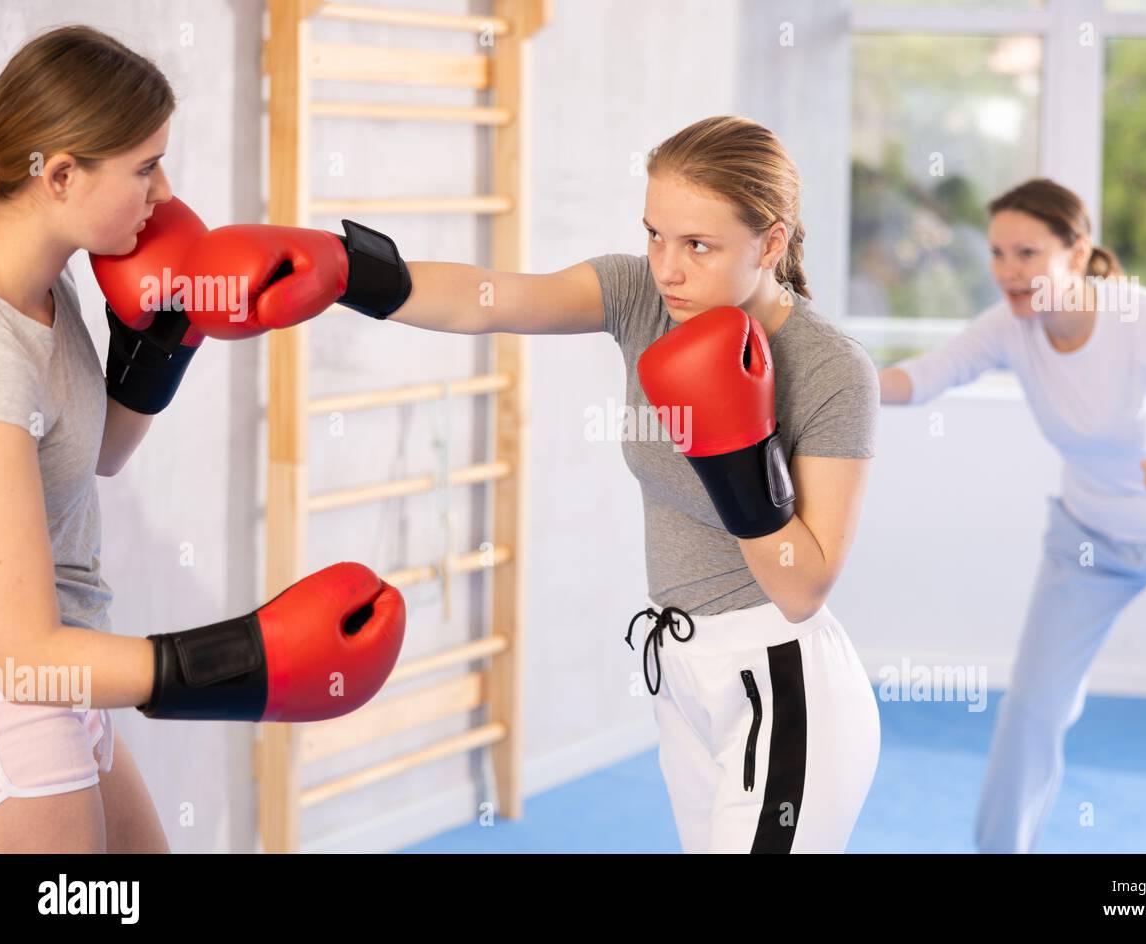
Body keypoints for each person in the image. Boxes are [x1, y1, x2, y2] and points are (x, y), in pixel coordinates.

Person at [173, 115, 884, 854]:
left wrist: (738, 456)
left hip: (780, 681)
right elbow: (488, 298)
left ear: (771, 243)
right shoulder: (647, 297)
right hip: (680, 674)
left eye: (699, 245)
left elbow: (803, 589)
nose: (667, 267)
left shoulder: (830, 368)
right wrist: (349, 272)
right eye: (654, 235)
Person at [0, 26, 405, 854]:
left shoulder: (49, 285)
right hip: (23, 693)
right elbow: (21, 651)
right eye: (145, 167)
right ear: (62, 175)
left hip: (68, 680)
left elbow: (95, 454)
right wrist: (244, 664)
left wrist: (164, 338)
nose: (164, 190)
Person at [879, 177, 1146, 853]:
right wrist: (827, 378)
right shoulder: (1010, 328)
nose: (1009, 272)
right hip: (1090, 543)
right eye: (999, 253)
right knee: (1030, 712)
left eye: (1028, 253)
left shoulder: (1143, 317)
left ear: (1079, 251)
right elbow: (922, 379)